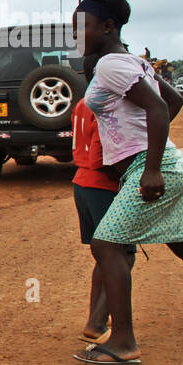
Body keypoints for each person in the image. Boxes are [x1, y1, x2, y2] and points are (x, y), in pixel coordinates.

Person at [72, 0, 183, 365]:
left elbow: (160, 108)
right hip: (156, 165)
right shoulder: (128, 60)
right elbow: (172, 101)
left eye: (84, 27)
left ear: (109, 26)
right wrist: (143, 149)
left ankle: (123, 343)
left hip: (153, 169)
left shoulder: (113, 64)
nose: (78, 36)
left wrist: (150, 164)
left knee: (108, 245)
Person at [70, 63, 135, 343]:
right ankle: (97, 322)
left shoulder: (83, 103)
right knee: (122, 254)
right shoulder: (107, 105)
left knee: (105, 256)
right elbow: (102, 154)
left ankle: (97, 318)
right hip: (101, 184)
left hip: (81, 182)